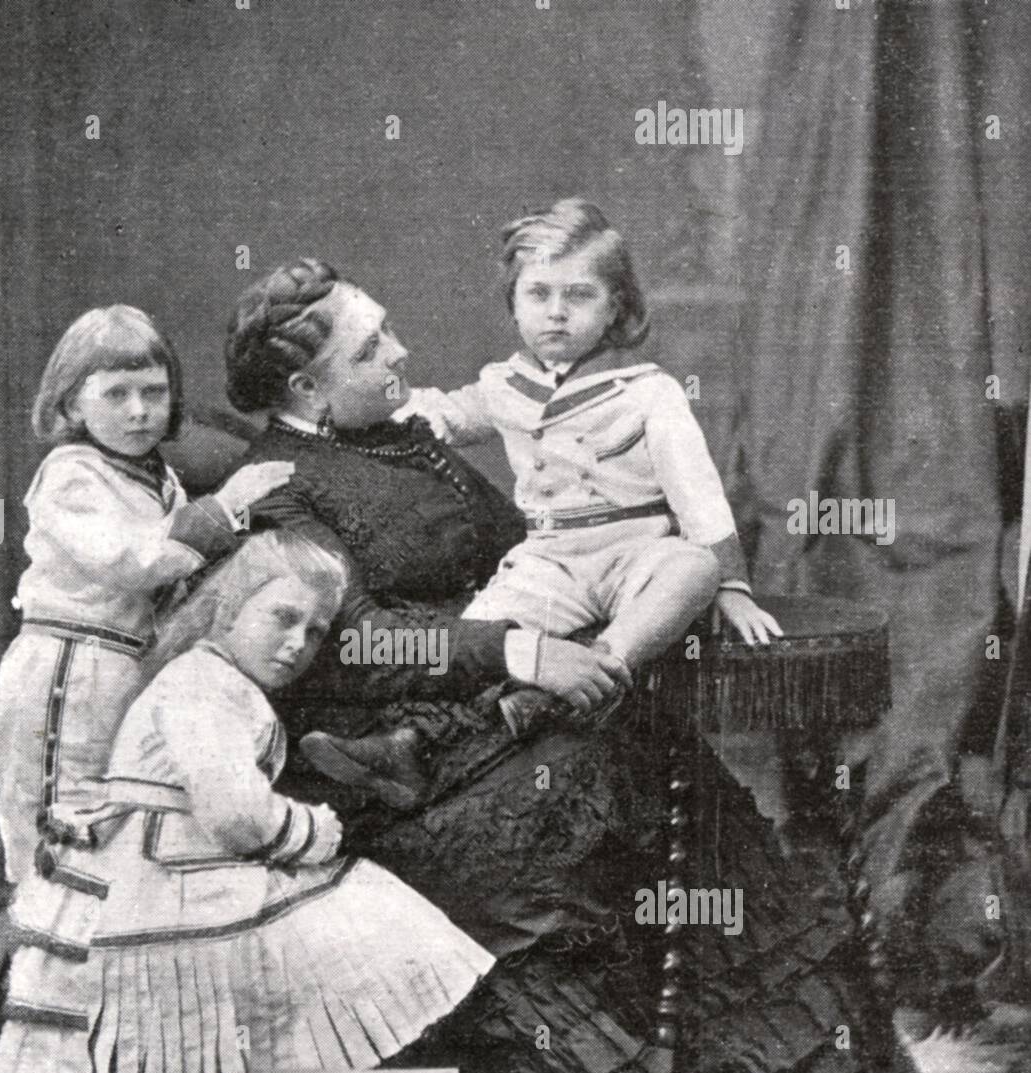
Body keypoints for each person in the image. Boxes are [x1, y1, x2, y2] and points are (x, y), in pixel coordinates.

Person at [224, 257, 865, 1073]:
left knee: (622, 716)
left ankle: (691, 1032)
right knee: (581, 761)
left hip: (511, 680)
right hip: (384, 753)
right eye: (373, 349)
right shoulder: (279, 485)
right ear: (305, 386)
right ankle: (608, 1051)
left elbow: (534, 544)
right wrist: (518, 653)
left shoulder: (403, 433)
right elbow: (351, 644)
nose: (403, 354)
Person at [0, 529, 493, 1073]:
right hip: (162, 876)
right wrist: (312, 828)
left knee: (343, 919)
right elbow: (234, 813)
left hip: (185, 858)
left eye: (314, 632)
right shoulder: (202, 683)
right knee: (366, 914)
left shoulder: (222, 680)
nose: (296, 644)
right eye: (282, 618)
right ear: (229, 609)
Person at [304, 199, 779, 798]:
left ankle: (597, 671)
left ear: (616, 309)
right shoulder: (505, 385)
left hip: (636, 553)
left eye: (580, 295)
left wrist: (732, 587)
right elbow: (443, 414)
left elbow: (701, 497)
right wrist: (349, 402)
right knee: (476, 632)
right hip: (552, 561)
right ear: (515, 304)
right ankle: (409, 746)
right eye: (538, 295)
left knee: (695, 566)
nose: (556, 313)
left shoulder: (648, 392)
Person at [0, 305, 294, 885]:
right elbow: (134, 559)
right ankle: (40, 950)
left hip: (125, 660)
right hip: (69, 666)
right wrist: (225, 507)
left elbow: (181, 571)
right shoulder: (71, 473)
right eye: (116, 394)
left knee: (114, 813)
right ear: (73, 403)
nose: (138, 410)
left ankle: (92, 954)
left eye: (154, 392)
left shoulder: (156, 476)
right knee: (59, 812)